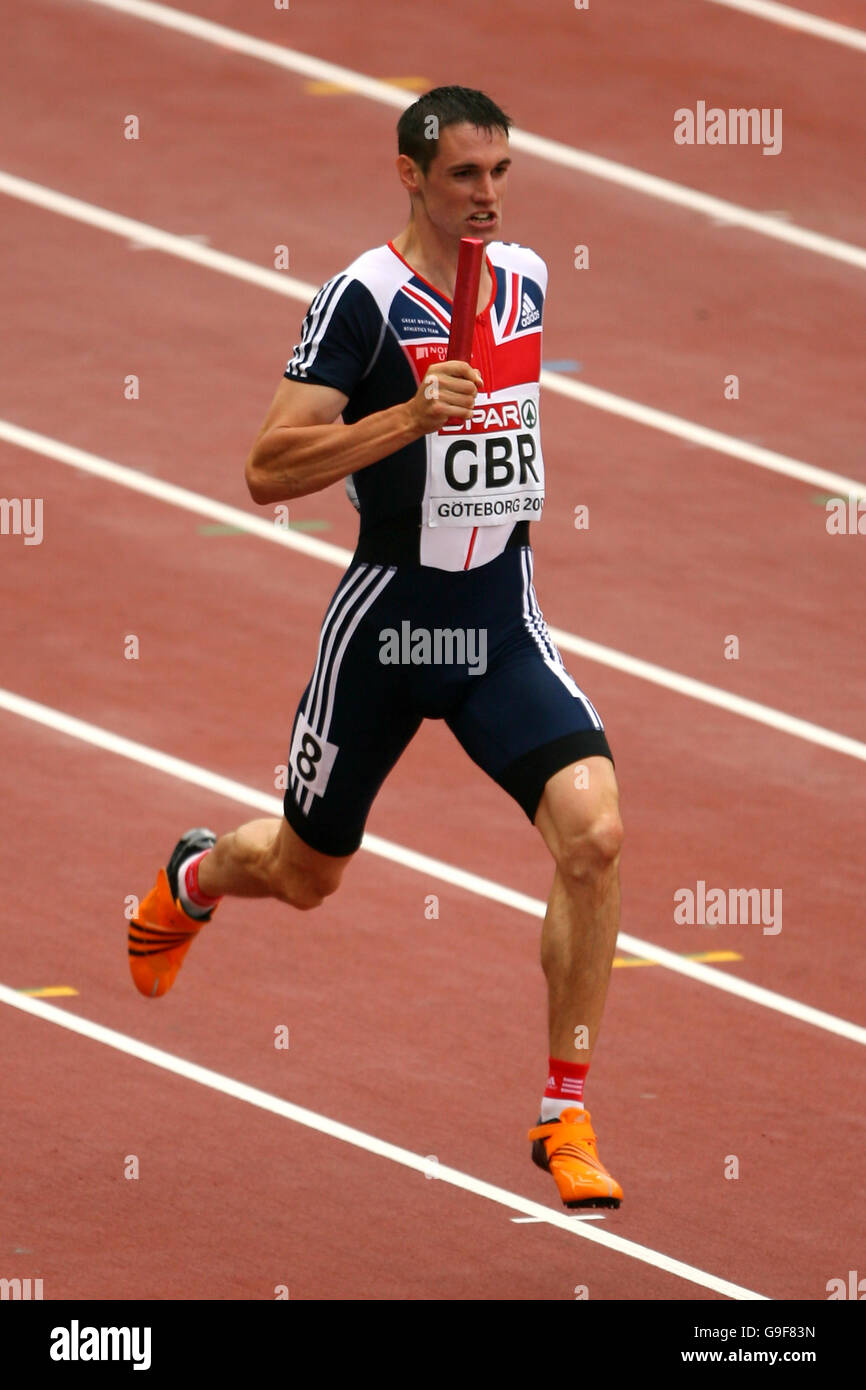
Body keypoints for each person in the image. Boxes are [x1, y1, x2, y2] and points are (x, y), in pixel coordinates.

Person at [128, 86, 625, 1210]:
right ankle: (194, 874)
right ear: (409, 175)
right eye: (463, 174)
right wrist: (406, 418)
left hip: (499, 619)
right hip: (390, 625)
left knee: (593, 834)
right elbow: (266, 470)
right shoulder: (359, 300)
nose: (486, 194)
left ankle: (563, 1113)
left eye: (499, 171)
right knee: (306, 875)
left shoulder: (531, 279)